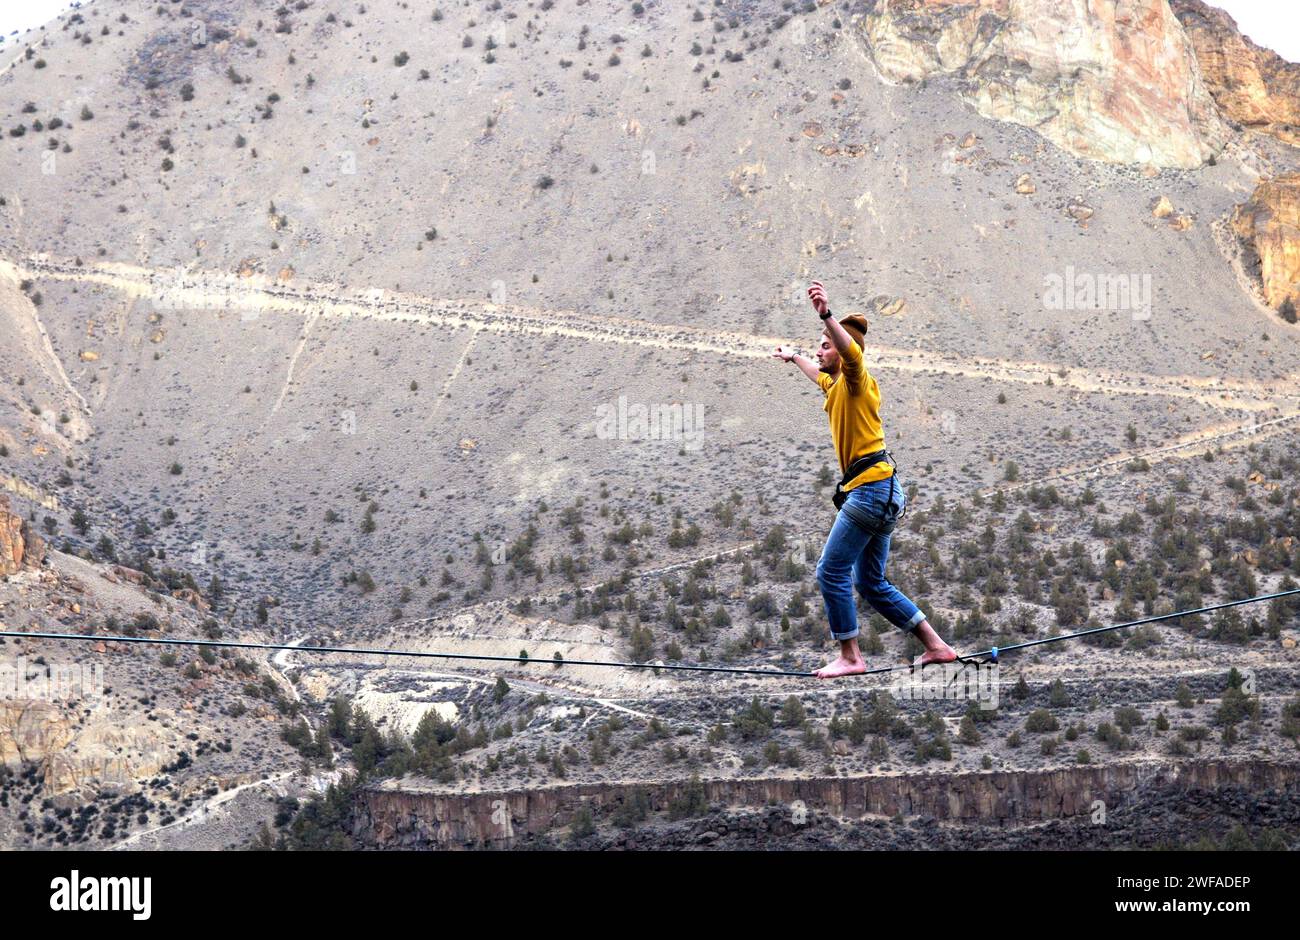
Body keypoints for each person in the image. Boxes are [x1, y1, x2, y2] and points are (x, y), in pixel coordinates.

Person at [772, 281, 956, 678]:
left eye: (824, 345)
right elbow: (816, 375)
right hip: (884, 491)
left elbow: (851, 353)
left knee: (830, 571)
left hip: (871, 492)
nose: (819, 350)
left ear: (842, 351)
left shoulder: (857, 379)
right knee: (870, 582)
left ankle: (851, 656)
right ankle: (937, 646)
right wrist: (795, 357)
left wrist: (826, 315)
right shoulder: (835, 383)